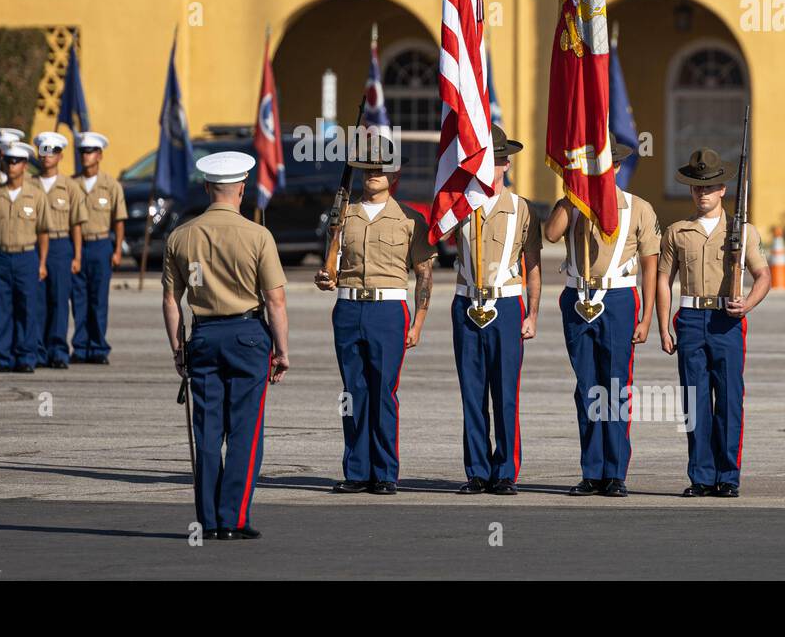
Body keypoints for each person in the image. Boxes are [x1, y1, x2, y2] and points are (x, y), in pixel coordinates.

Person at [162, 151, 290, 540]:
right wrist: (282, 350)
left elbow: (171, 301)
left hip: (202, 336)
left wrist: (178, 349)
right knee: (244, 431)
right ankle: (232, 518)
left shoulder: (180, 236)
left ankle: (209, 519)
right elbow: (275, 300)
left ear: (206, 188)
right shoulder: (258, 235)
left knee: (207, 429)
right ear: (241, 188)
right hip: (248, 335)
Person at [314, 136, 435, 495]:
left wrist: (418, 323)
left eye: (382, 167)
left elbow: (424, 275)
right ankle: (356, 471)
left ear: (394, 174)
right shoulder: (343, 216)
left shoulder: (411, 220)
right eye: (368, 167)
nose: (374, 173)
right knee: (353, 391)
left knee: (384, 391)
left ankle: (384, 472)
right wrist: (326, 278)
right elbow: (332, 266)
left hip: (388, 310)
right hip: (349, 307)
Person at [543, 135, 660, 498]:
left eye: (605, 165)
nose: (599, 171)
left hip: (619, 297)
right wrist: (571, 192)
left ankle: (615, 471)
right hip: (578, 296)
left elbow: (650, 266)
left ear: (619, 167)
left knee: (615, 388)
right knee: (587, 387)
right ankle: (592, 470)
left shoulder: (638, 208)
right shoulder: (574, 203)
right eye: (592, 165)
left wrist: (646, 319)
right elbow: (550, 234)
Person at [656, 147, 770, 499]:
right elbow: (663, 280)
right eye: (696, 187)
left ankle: (728, 476)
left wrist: (747, 303)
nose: (702, 193)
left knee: (730, 400)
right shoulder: (677, 232)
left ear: (723, 190)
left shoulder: (742, 231)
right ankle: (701, 476)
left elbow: (763, 275)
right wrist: (664, 326)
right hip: (690, 318)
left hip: (726, 320)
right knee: (695, 400)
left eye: (709, 187)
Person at [450, 124, 542, 496]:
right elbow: (435, 238)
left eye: (498, 160)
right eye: (485, 159)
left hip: (505, 305)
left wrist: (532, 314)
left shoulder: (522, 209)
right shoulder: (460, 205)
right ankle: (476, 470)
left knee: (505, 393)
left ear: (506, 164)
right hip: (467, 302)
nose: (493, 165)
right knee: (472, 393)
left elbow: (533, 265)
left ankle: (505, 470)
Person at [0, 141, 48, 374]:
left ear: (25, 165)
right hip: (0, 256)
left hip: (25, 256)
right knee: (1, 309)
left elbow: (43, 232)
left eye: (17, 161)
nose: (12, 165)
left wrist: (41, 263)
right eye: (9, 160)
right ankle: (4, 357)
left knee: (27, 308)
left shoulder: (36, 196)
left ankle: (26, 357)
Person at [32, 131, 87, 368]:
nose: (47, 156)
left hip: (60, 245)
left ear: (60, 155)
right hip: (33, 246)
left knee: (59, 300)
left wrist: (77, 255)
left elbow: (76, 224)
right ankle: (37, 350)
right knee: (37, 301)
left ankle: (58, 351)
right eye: (43, 151)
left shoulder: (70, 187)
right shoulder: (29, 185)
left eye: (52, 151)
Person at [70, 131, 126, 364]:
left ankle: (98, 347)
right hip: (78, 247)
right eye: (83, 151)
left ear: (100, 155)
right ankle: (81, 347)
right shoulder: (71, 184)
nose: (86, 156)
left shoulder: (111, 185)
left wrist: (117, 250)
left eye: (90, 151)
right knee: (79, 299)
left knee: (98, 300)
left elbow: (119, 219)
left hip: (101, 243)